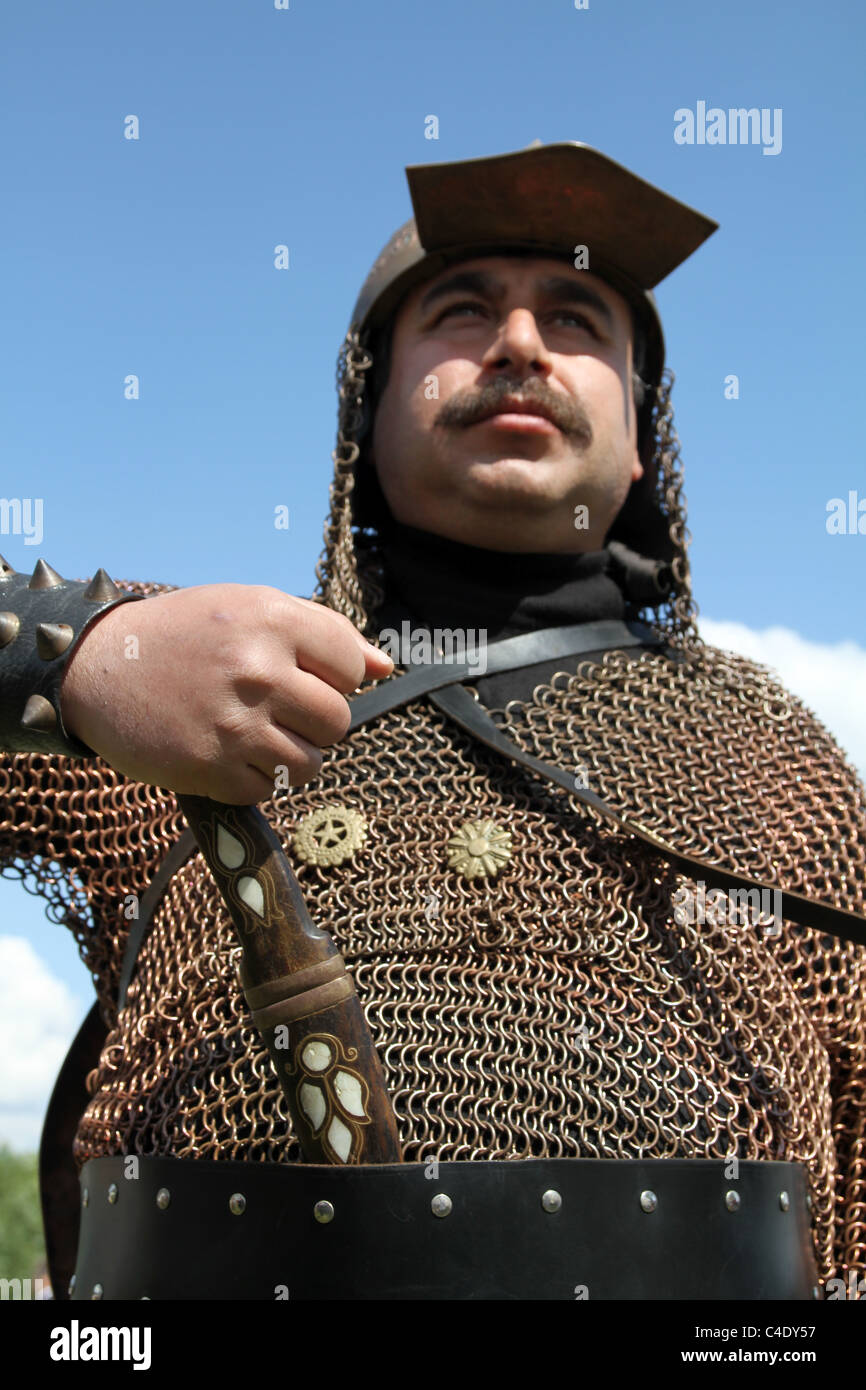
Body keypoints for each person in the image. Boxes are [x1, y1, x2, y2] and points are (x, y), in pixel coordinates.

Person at [1, 142, 864, 1302]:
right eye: (462, 310)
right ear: (365, 399)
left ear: (644, 425)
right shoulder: (201, 685)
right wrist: (79, 652)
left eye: (574, 318)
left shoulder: (774, 765)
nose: (518, 344)